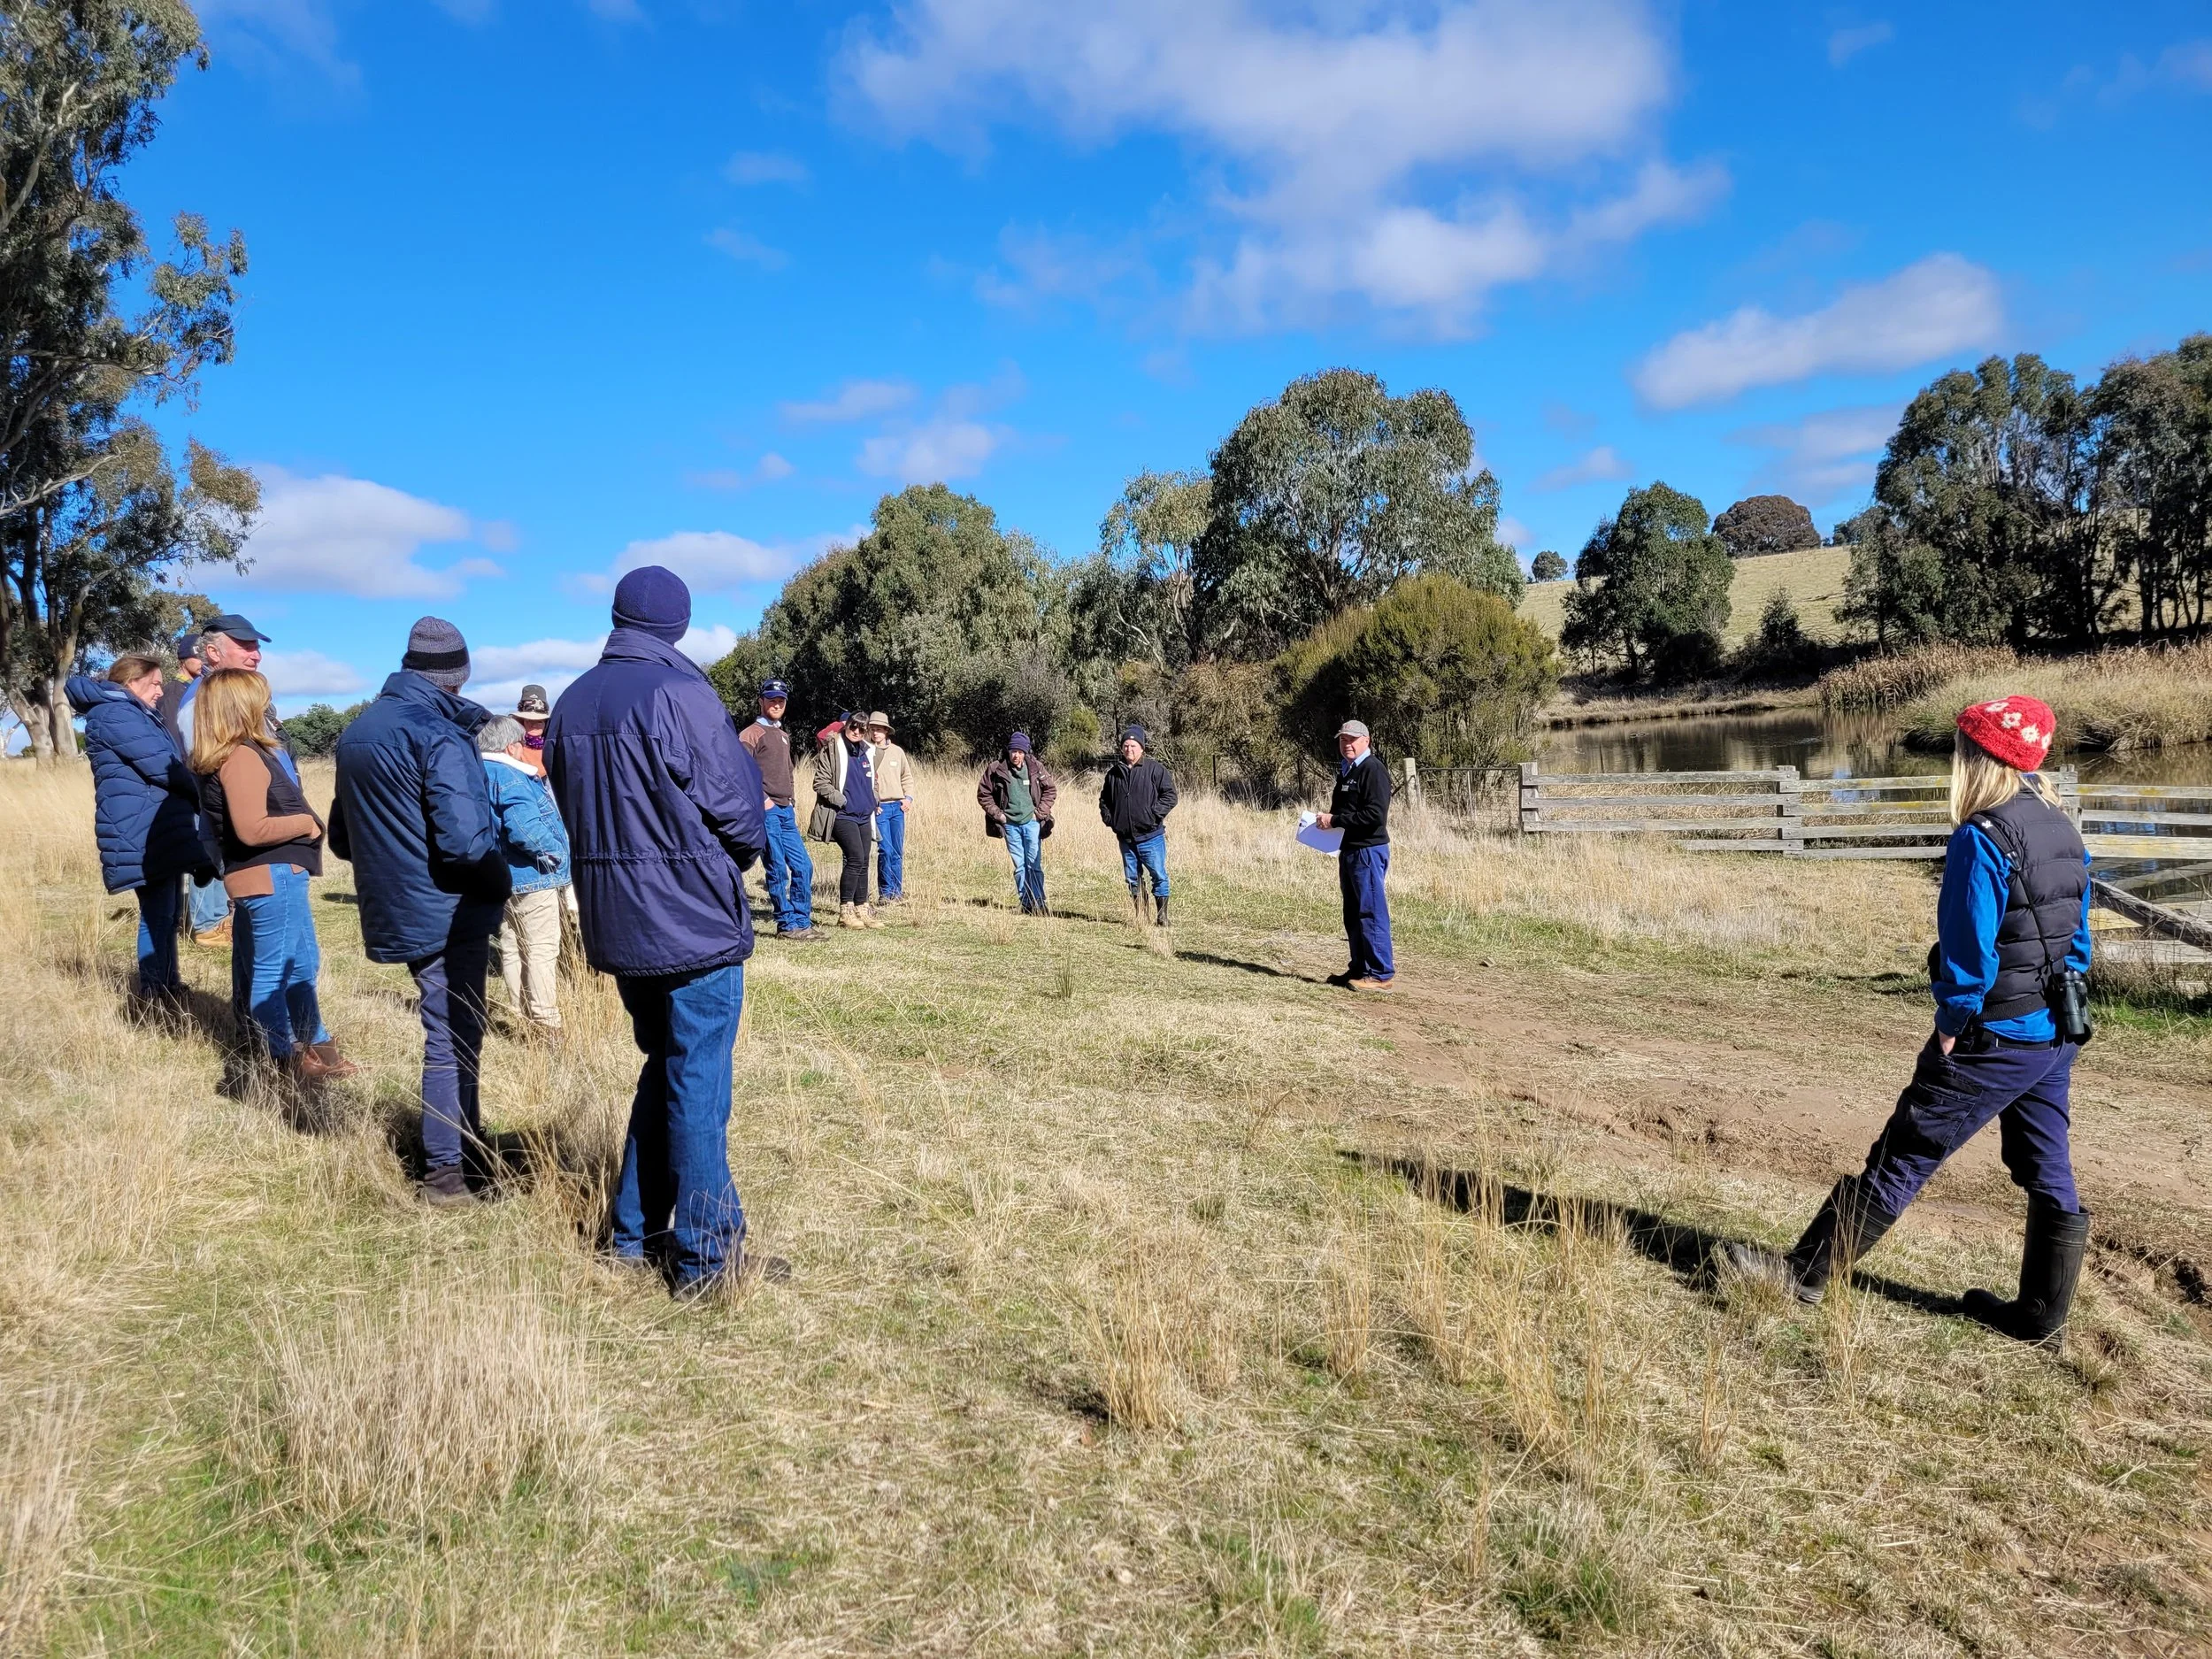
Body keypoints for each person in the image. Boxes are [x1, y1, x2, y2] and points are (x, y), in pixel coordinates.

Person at [1726, 695, 2094, 1345]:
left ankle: (1802, 1275)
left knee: (1905, 1151)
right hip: (2055, 1032)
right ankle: (2042, 1321)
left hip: (1992, 1036)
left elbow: (1968, 955)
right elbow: (2080, 942)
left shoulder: (1981, 839)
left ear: (1980, 758)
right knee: (2049, 1167)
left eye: (1962, 749)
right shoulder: (2062, 827)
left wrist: (1953, 1021)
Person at [547, 565, 785, 1296]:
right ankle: (707, 1260)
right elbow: (741, 809)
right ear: (678, 625)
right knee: (700, 1084)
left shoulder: (570, 702)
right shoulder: (682, 694)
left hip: (617, 924)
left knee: (667, 1069)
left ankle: (632, 1236)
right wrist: (725, 865)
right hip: (692, 922)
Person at [327, 618, 511, 1207]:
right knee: (452, 1035)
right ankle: (445, 1174)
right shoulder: (437, 733)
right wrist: (499, 879)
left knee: (453, 1029)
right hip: (449, 910)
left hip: (399, 906)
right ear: (458, 674)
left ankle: (467, 1146)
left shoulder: (358, 731)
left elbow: (342, 838)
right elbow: (464, 842)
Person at [189, 668, 351, 1079]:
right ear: (242, 705)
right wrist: (305, 824)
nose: (266, 705)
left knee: (299, 964)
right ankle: (284, 1061)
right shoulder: (240, 756)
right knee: (273, 971)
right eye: (259, 697)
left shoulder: (234, 753)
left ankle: (318, 1048)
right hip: (269, 876)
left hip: (274, 875)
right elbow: (252, 829)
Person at [66, 653, 211, 1008]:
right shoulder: (116, 714)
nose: (162, 691)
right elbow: (163, 768)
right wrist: (204, 794)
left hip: (155, 826)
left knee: (167, 912)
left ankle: (167, 985)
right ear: (133, 682)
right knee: (157, 914)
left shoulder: (130, 712)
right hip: (141, 829)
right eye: (156, 683)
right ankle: (153, 993)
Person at [479, 713, 570, 1037]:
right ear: (512, 746)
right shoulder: (511, 776)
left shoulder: (478, 773)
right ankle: (546, 1022)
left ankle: (518, 1009)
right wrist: (556, 853)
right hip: (532, 877)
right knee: (543, 950)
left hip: (499, 877)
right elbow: (524, 829)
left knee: (512, 945)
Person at [739, 679, 818, 941]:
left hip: (786, 811)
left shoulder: (783, 735)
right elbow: (739, 771)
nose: (776, 704)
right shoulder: (750, 734)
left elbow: (789, 772)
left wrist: (791, 800)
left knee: (804, 866)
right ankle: (786, 924)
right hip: (766, 811)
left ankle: (802, 922)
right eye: (772, 699)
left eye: (781, 700)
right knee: (776, 869)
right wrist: (763, 800)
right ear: (761, 701)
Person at [1319, 720, 1394, 991]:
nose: (1347, 744)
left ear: (1366, 741)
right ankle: (1359, 968)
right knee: (1352, 912)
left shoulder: (1373, 769)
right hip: (1349, 849)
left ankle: (1380, 973)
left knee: (1370, 911)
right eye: (1342, 740)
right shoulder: (1348, 770)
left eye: (1352, 739)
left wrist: (1336, 819)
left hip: (1368, 850)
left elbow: (1375, 815)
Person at [810, 710, 885, 930]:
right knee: (854, 858)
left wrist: (875, 798)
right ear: (846, 725)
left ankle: (862, 908)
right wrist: (842, 801)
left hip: (865, 815)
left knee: (864, 860)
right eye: (853, 726)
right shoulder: (833, 748)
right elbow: (820, 783)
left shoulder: (868, 751)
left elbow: (872, 781)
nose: (857, 732)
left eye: (862, 729)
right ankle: (846, 910)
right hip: (842, 814)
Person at [1098, 724, 1179, 927]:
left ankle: (1162, 917)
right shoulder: (1114, 773)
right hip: (1125, 838)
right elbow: (1104, 800)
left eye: (1133, 745)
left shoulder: (1155, 770)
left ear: (1142, 748)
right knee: (1133, 878)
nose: (1129, 749)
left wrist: (1152, 814)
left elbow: (1170, 796)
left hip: (1151, 837)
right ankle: (1141, 916)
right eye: (1126, 745)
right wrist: (1111, 819)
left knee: (1158, 875)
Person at [977, 732, 1056, 916]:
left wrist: (1040, 814)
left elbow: (1050, 790)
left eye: (1020, 751)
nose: (1016, 755)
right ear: (1008, 751)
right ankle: (1026, 902)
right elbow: (984, 794)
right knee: (1020, 865)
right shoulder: (996, 769)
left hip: (1032, 823)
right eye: (1013, 751)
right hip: (1010, 825)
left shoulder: (1036, 767)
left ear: (1026, 752)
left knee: (1034, 865)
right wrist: (1000, 816)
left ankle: (1040, 902)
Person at [869, 711, 915, 904]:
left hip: (898, 807)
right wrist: (873, 803)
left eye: (879, 730)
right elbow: (865, 781)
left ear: (886, 731)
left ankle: (897, 892)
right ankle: (885, 892)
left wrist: (908, 798)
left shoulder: (897, 752)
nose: (876, 733)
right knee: (885, 850)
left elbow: (907, 777)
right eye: (873, 729)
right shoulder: (867, 752)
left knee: (897, 851)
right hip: (880, 809)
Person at [513, 684, 551, 771]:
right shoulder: (512, 748)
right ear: (522, 721)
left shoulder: (554, 747)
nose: (534, 725)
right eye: (529, 720)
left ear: (546, 723)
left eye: (539, 721)